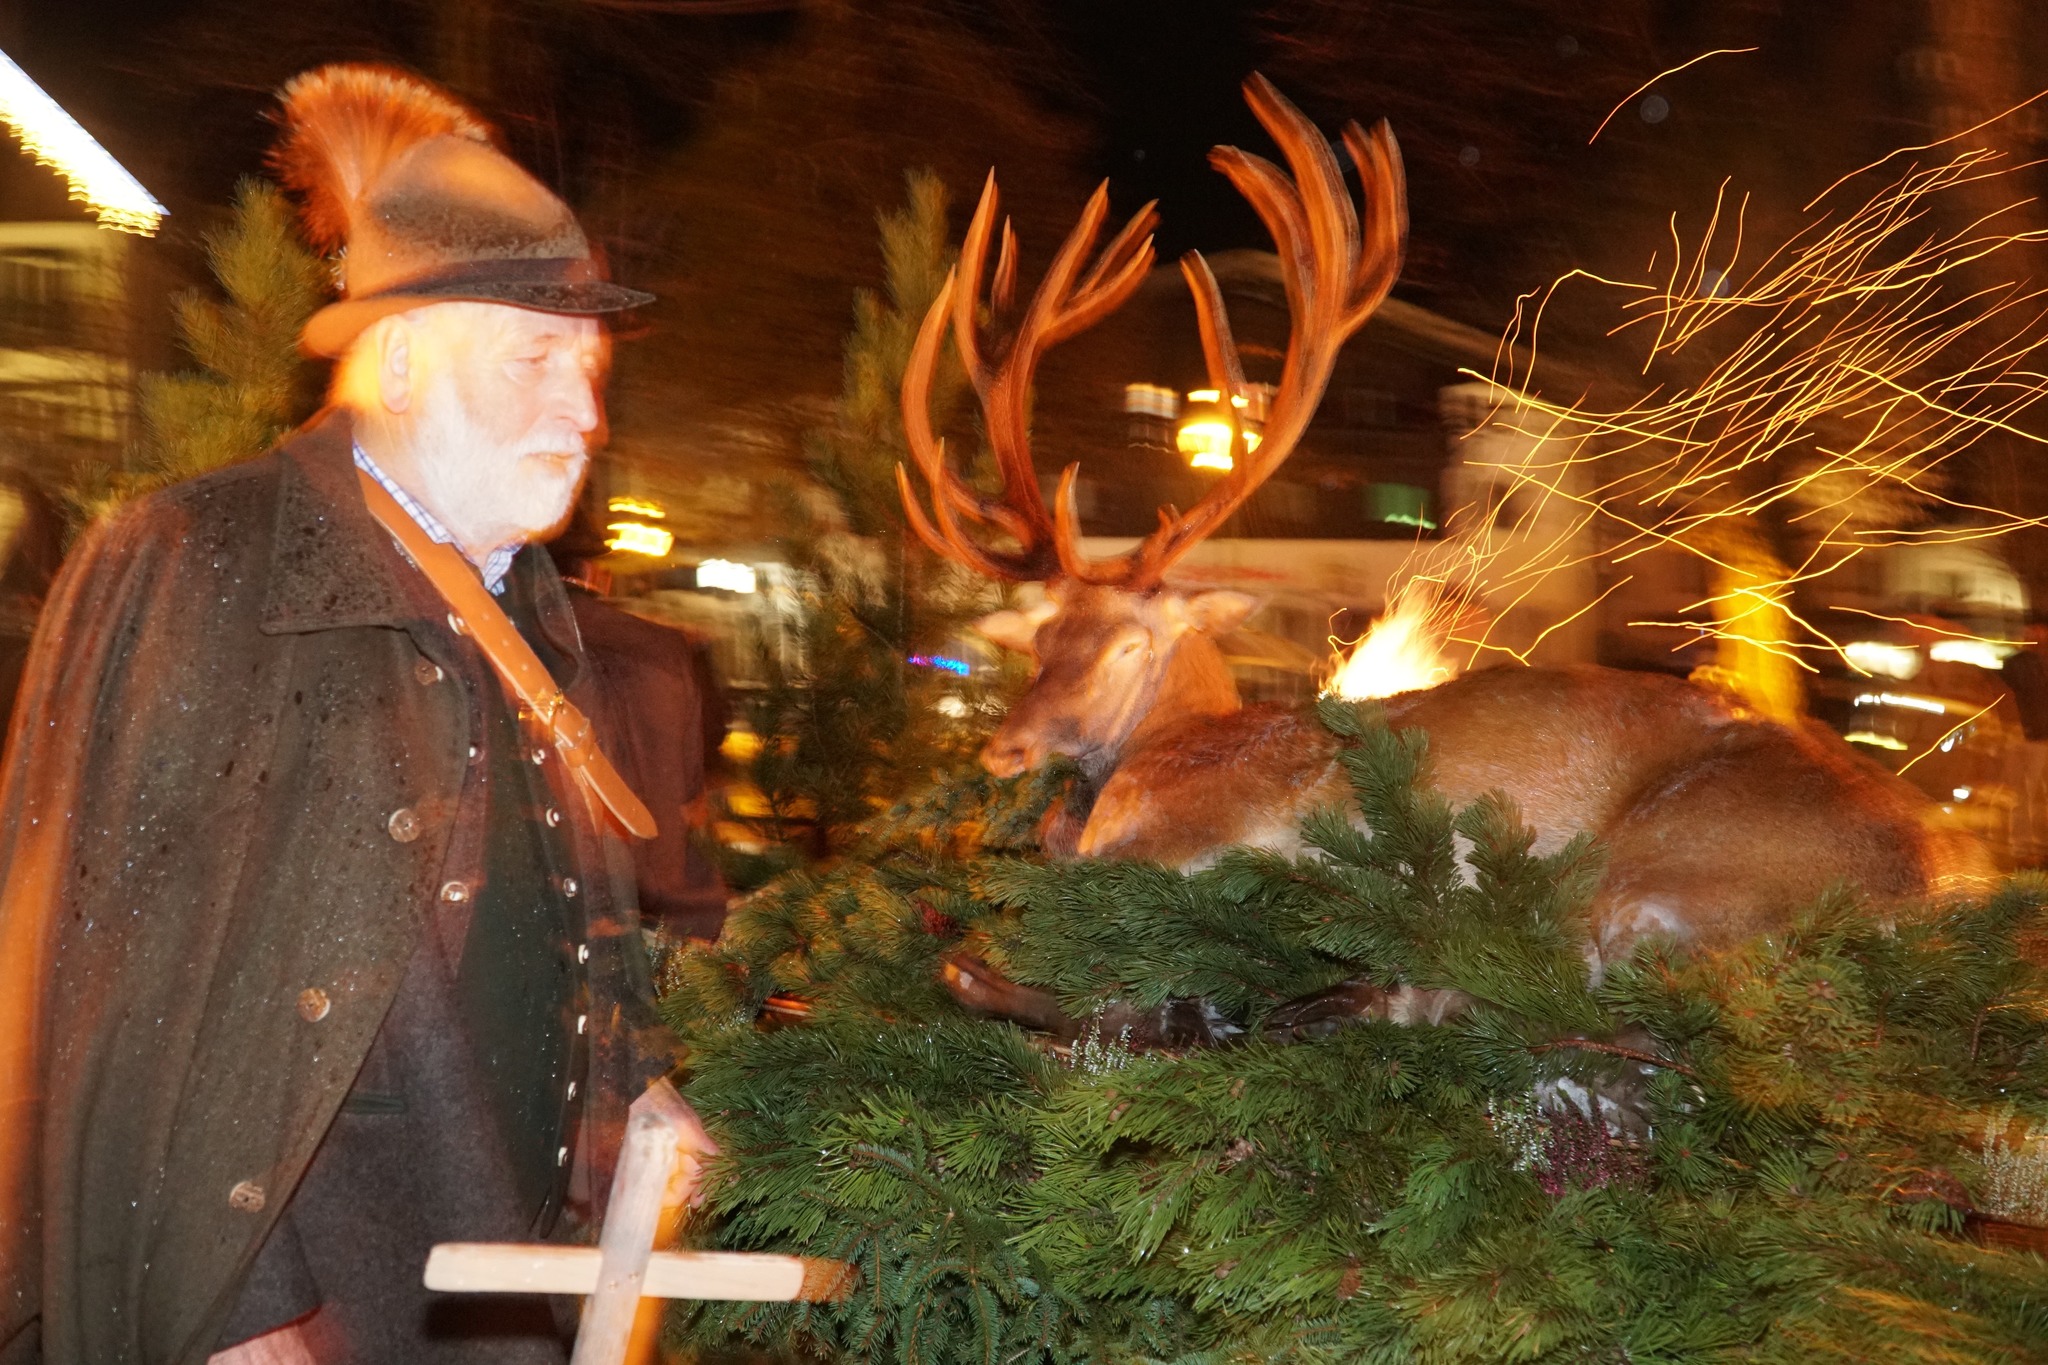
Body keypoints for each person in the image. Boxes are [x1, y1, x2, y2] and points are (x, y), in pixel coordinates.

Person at [0, 65, 676, 1364]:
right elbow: (103, 975)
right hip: (310, 1324)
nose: (585, 411)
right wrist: (233, 1309)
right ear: (404, 360)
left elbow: (568, 930)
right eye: (537, 357)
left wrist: (632, 1090)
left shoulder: (525, 613)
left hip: (486, 1281)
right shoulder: (203, 559)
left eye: (590, 368)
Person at [548, 522, 731, 942]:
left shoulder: (520, 650)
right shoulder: (665, 647)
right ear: (597, 574)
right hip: (670, 899)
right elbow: (694, 777)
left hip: (571, 902)